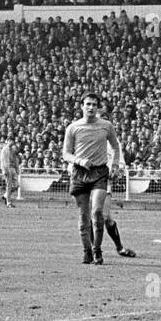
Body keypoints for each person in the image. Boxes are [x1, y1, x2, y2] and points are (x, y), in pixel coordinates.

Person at [62, 93, 123, 265]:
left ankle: (97, 250)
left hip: (99, 173)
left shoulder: (106, 126)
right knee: (84, 216)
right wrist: (80, 160)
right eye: (88, 104)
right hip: (80, 173)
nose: (91, 107)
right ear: (82, 106)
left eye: (94, 104)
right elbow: (66, 153)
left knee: (97, 211)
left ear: (97, 107)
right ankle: (87, 251)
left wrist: (116, 165)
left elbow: (115, 146)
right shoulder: (73, 128)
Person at [0, 136, 19, 207]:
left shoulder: (12, 150)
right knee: (9, 186)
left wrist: (16, 169)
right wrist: (4, 170)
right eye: (10, 141)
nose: (12, 142)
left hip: (12, 169)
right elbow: (2, 161)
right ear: (7, 141)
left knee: (16, 185)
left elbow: (14, 160)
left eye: (13, 141)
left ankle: (4, 196)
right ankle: (8, 203)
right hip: (7, 168)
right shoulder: (4, 150)